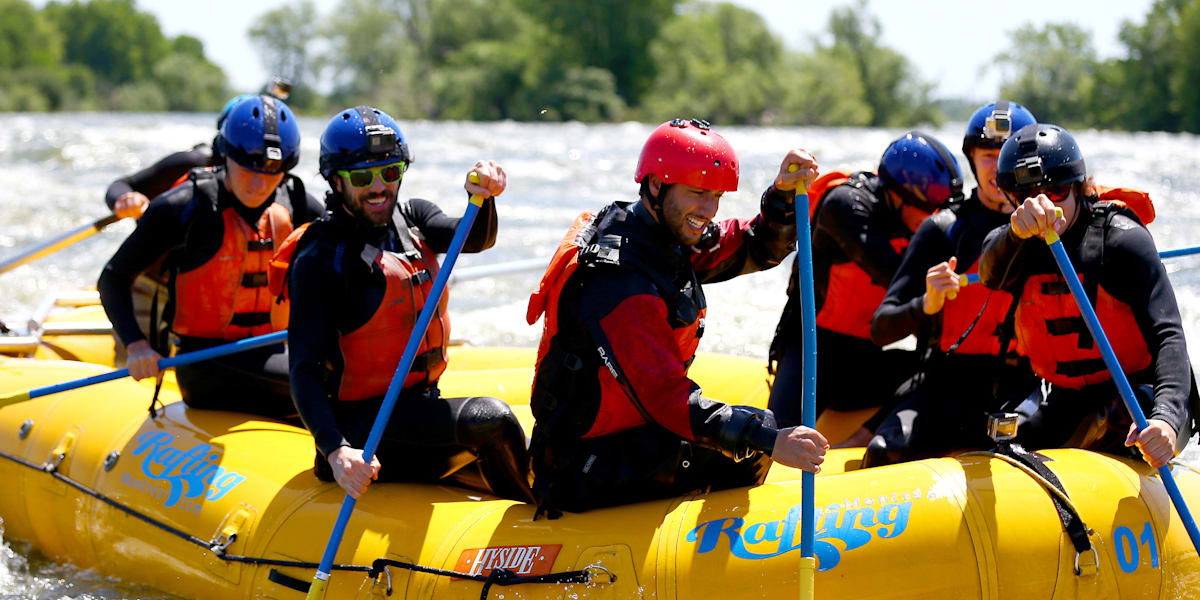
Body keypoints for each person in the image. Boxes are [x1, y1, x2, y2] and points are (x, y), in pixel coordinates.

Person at [525, 118, 827, 514]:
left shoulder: (663, 235)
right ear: (655, 185)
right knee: (757, 434)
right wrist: (769, 441)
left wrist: (781, 197)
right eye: (698, 193)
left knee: (758, 425)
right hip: (581, 467)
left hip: (628, 435)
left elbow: (750, 247)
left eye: (716, 196)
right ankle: (706, 558)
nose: (709, 209)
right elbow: (666, 398)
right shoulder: (619, 279)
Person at [284, 106, 533, 502]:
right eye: (363, 177)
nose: (380, 187)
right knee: (493, 420)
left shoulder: (413, 218)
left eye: (391, 172)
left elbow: (473, 238)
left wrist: (481, 198)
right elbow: (303, 369)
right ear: (335, 181)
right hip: (364, 434)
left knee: (524, 437)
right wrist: (335, 450)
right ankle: (539, 523)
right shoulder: (320, 259)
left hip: (418, 410)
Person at [978, 123, 1197, 468]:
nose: (1044, 207)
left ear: (1080, 187)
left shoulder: (1122, 240)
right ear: (1012, 200)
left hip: (1144, 392)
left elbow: (1169, 337)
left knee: (1117, 422)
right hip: (1072, 397)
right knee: (1007, 446)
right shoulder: (1018, 243)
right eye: (1027, 198)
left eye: (1056, 192)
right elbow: (989, 273)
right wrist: (1015, 233)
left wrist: (1167, 420)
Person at [98, 95, 322, 418]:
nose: (260, 184)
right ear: (226, 155)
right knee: (324, 385)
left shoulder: (295, 201)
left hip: (274, 350)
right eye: (248, 169)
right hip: (204, 364)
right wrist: (136, 345)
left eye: (273, 172)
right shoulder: (184, 204)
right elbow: (113, 278)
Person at [862, 102, 1042, 464]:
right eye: (989, 155)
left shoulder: (1051, 231)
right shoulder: (942, 229)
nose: (998, 167)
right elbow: (881, 328)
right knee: (884, 452)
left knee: (1024, 451)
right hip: (943, 384)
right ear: (972, 159)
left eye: (1008, 155)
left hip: (1020, 388)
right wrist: (925, 304)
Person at [767, 131, 964, 438]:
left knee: (943, 373)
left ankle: (865, 439)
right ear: (898, 196)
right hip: (813, 355)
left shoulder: (920, 222)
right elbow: (899, 279)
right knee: (777, 436)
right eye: (929, 210)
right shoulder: (846, 206)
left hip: (866, 361)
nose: (934, 219)